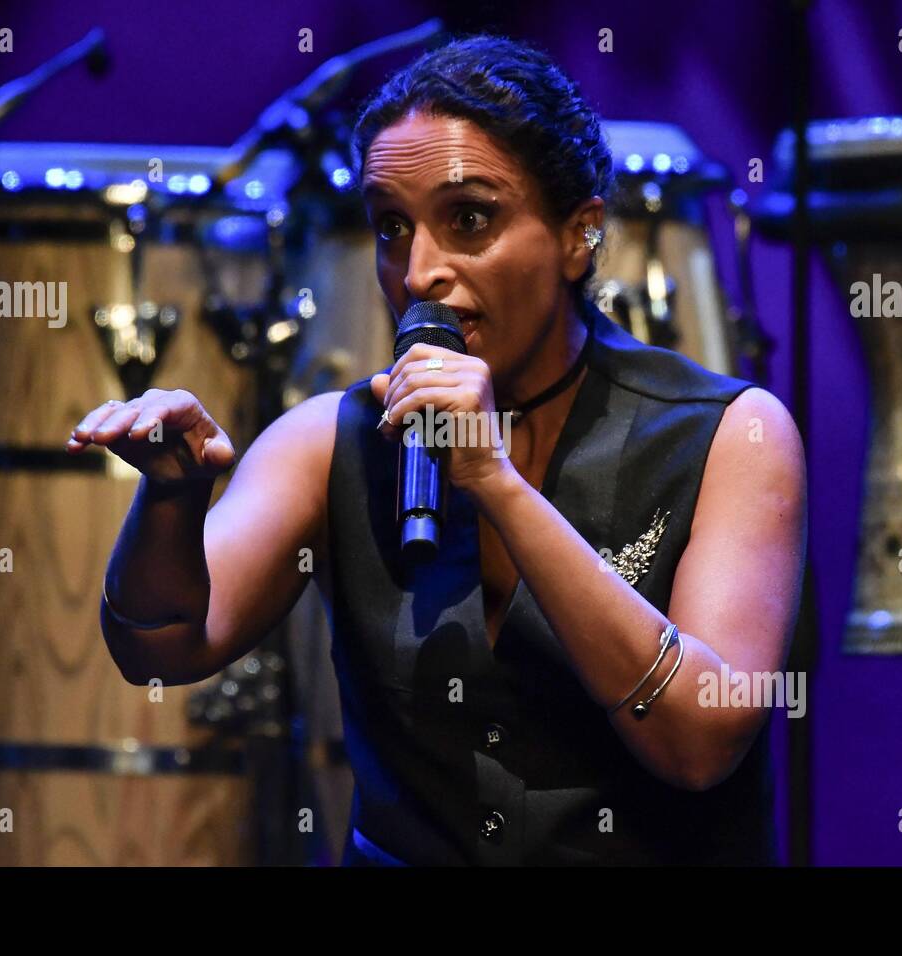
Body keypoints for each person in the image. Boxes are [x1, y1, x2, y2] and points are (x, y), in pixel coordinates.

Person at [66, 35, 806, 865]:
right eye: (392, 228)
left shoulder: (727, 435)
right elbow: (159, 645)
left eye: (470, 220)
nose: (420, 271)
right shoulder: (333, 442)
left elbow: (700, 742)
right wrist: (168, 501)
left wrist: (494, 483)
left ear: (578, 236)